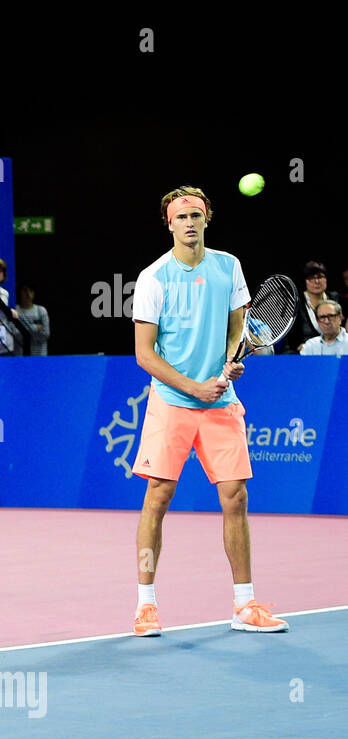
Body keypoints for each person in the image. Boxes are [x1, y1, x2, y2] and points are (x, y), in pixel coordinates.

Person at [130, 185, 288, 638]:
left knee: (235, 496)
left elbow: (238, 321)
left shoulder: (228, 266)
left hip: (220, 403)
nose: (190, 223)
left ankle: (244, 604)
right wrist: (193, 386)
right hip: (173, 402)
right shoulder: (153, 278)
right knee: (157, 498)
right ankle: (145, 605)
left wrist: (230, 359)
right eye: (181, 217)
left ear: (206, 219)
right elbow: (145, 354)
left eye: (197, 215)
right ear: (169, 223)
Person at [288, 260, 342, 352]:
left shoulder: (337, 298)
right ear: (305, 281)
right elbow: (291, 340)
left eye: (320, 277)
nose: (316, 281)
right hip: (305, 352)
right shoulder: (295, 303)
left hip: (336, 348)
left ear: (326, 279)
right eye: (311, 278)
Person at [15, 284, 51, 356]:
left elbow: (46, 334)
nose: (28, 293)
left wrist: (25, 333)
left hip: (40, 355)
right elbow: (15, 335)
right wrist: (36, 327)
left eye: (30, 291)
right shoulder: (15, 311)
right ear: (20, 292)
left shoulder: (41, 310)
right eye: (25, 290)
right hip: (21, 355)